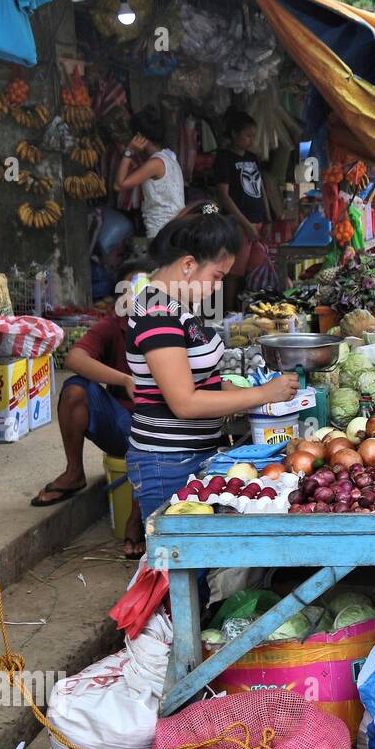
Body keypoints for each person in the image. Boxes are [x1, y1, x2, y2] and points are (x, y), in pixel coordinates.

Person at [125, 205, 297, 520]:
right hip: (168, 462)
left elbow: (194, 378)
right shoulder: (158, 313)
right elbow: (184, 403)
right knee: (179, 560)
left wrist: (228, 388)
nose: (219, 287)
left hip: (191, 456)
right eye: (217, 277)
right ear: (189, 264)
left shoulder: (177, 307)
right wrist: (264, 394)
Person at [31, 262, 148, 556]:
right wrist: (124, 380)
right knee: (74, 390)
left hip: (159, 427)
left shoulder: (174, 326)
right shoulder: (114, 326)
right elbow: (75, 358)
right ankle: (73, 472)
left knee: (156, 431)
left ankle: (136, 520)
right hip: (119, 420)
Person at [213, 110, 272, 304]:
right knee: (234, 272)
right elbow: (224, 195)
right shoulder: (224, 158)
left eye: (253, 136)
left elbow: (260, 187)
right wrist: (245, 225)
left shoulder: (253, 158)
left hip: (257, 220)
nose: (251, 140)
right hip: (237, 222)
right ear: (234, 134)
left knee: (254, 268)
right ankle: (229, 312)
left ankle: (246, 308)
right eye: (247, 136)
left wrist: (268, 217)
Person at [115, 107, 186, 239]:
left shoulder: (155, 163)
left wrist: (129, 151)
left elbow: (119, 185)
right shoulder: (170, 158)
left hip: (162, 233)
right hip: (174, 230)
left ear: (139, 137)